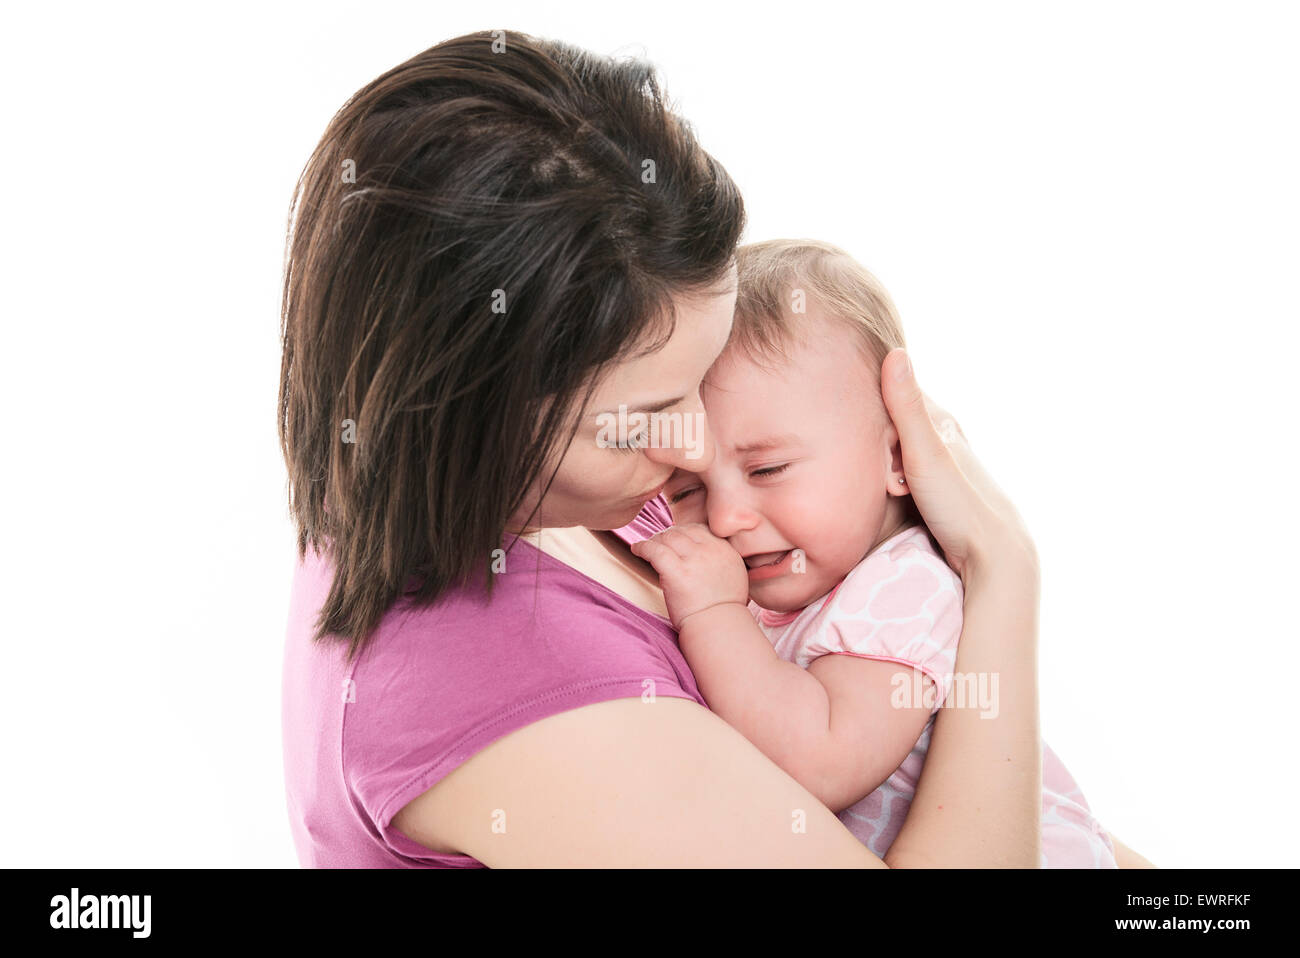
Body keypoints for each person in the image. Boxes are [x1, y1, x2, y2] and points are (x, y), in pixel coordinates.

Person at [278, 29, 1149, 867]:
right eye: (646, 414)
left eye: (703, 372)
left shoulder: (549, 493)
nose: (698, 454)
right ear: (471, 412)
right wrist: (1003, 571)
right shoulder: (514, 693)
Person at [639, 238, 1128, 867]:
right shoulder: (788, 588)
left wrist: (713, 615)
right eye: (689, 489)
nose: (727, 517)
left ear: (897, 457)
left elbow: (819, 759)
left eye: (767, 469)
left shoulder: (901, 586)